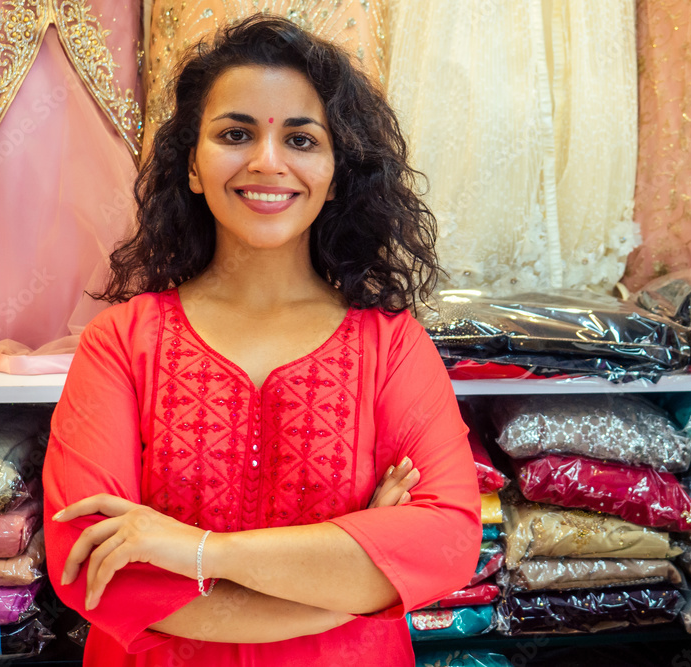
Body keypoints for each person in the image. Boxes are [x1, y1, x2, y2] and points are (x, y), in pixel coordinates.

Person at [42, 15, 482, 667]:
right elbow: (94, 569)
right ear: (193, 164)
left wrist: (194, 549)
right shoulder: (121, 342)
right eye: (235, 133)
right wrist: (353, 581)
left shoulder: (391, 346)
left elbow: (444, 542)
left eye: (301, 139)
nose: (266, 161)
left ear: (336, 170)